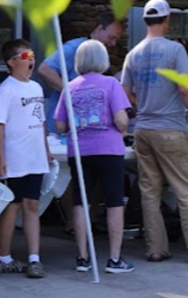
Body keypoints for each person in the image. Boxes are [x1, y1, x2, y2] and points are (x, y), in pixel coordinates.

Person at [121, 0, 188, 265]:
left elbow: (125, 93)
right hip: (171, 128)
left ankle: (155, 249)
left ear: (144, 21)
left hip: (143, 130)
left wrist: (144, 104)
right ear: (167, 20)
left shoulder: (133, 54)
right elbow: (186, 89)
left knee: (149, 192)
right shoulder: (175, 50)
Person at [55, 40, 135, 274]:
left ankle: (82, 257)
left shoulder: (69, 87)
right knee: (114, 201)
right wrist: (122, 128)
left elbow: (59, 125)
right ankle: (114, 258)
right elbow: (121, 120)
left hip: (80, 150)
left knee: (81, 201)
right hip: (109, 150)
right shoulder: (111, 83)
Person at [0, 39, 52, 278]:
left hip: (35, 157)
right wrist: (0, 156)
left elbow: (41, 122)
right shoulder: (6, 90)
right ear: (12, 62)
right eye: (26, 56)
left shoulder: (36, 87)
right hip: (15, 156)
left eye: (32, 55)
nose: (31, 60)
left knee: (32, 204)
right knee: (12, 205)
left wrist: (45, 149)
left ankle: (34, 258)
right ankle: (3, 257)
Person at [36, 14, 124, 133]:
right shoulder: (74, 48)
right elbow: (44, 69)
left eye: (116, 40)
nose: (113, 44)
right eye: (111, 37)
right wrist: (71, 92)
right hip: (63, 128)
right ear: (99, 29)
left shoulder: (100, 53)